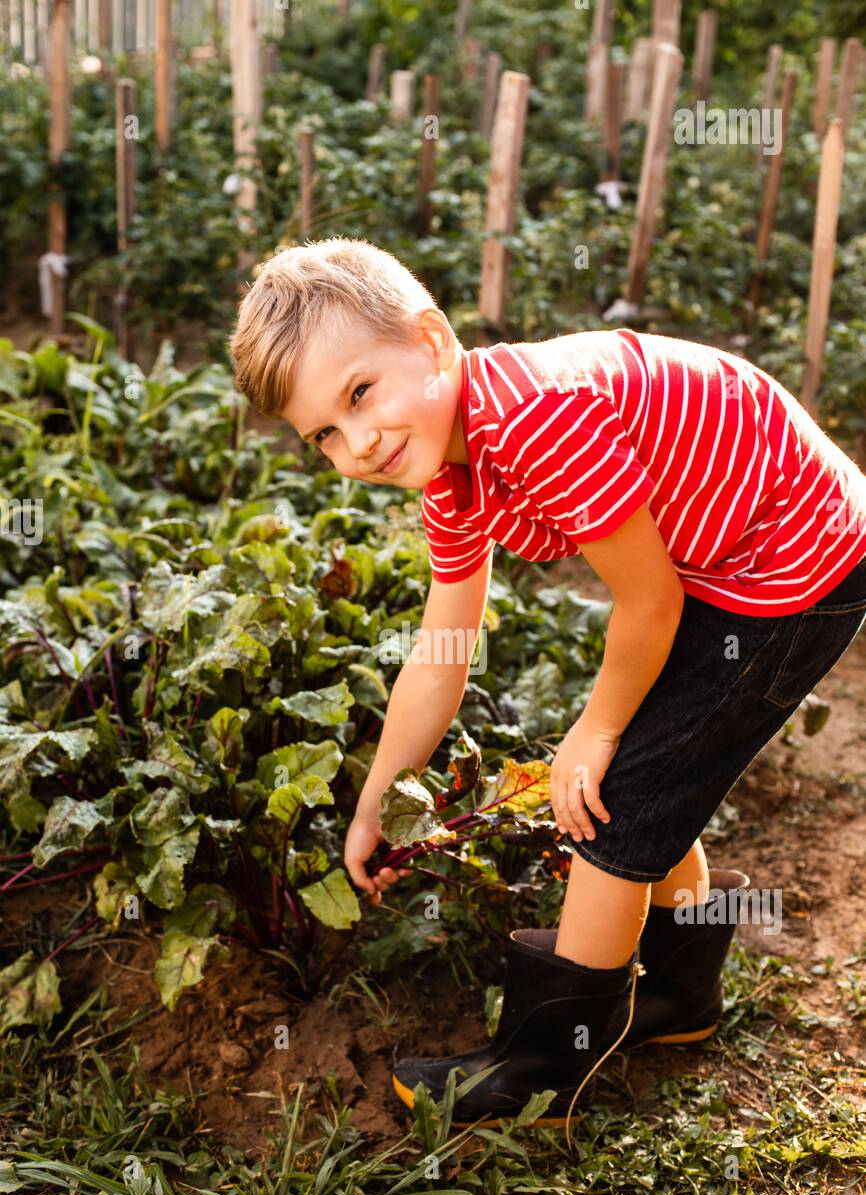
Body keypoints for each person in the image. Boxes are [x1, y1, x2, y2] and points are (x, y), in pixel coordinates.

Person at [229, 235, 866, 1128]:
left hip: (794, 561)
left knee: (615, 797)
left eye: (361, 392)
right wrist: (379, 794)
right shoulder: (453, 478)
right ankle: (682, 998)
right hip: (722, 563)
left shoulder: (536, 419)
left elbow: (648, 602)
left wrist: (597, 732)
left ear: (433, 340)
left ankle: (543, 1066)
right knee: (638, 772)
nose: (359, 440)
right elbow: (443, 649)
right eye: (325, 433)